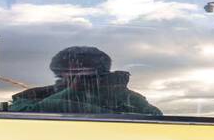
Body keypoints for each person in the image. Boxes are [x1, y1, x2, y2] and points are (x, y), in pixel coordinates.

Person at [8, 45, 162, 117]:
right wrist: (71, 92)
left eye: (87, 74)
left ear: (103, 75)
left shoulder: (124, 97)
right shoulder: (34, 97)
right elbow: (16, 114)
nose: (78, 79)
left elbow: (156, 118)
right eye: (69, 74)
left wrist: (118, 91)